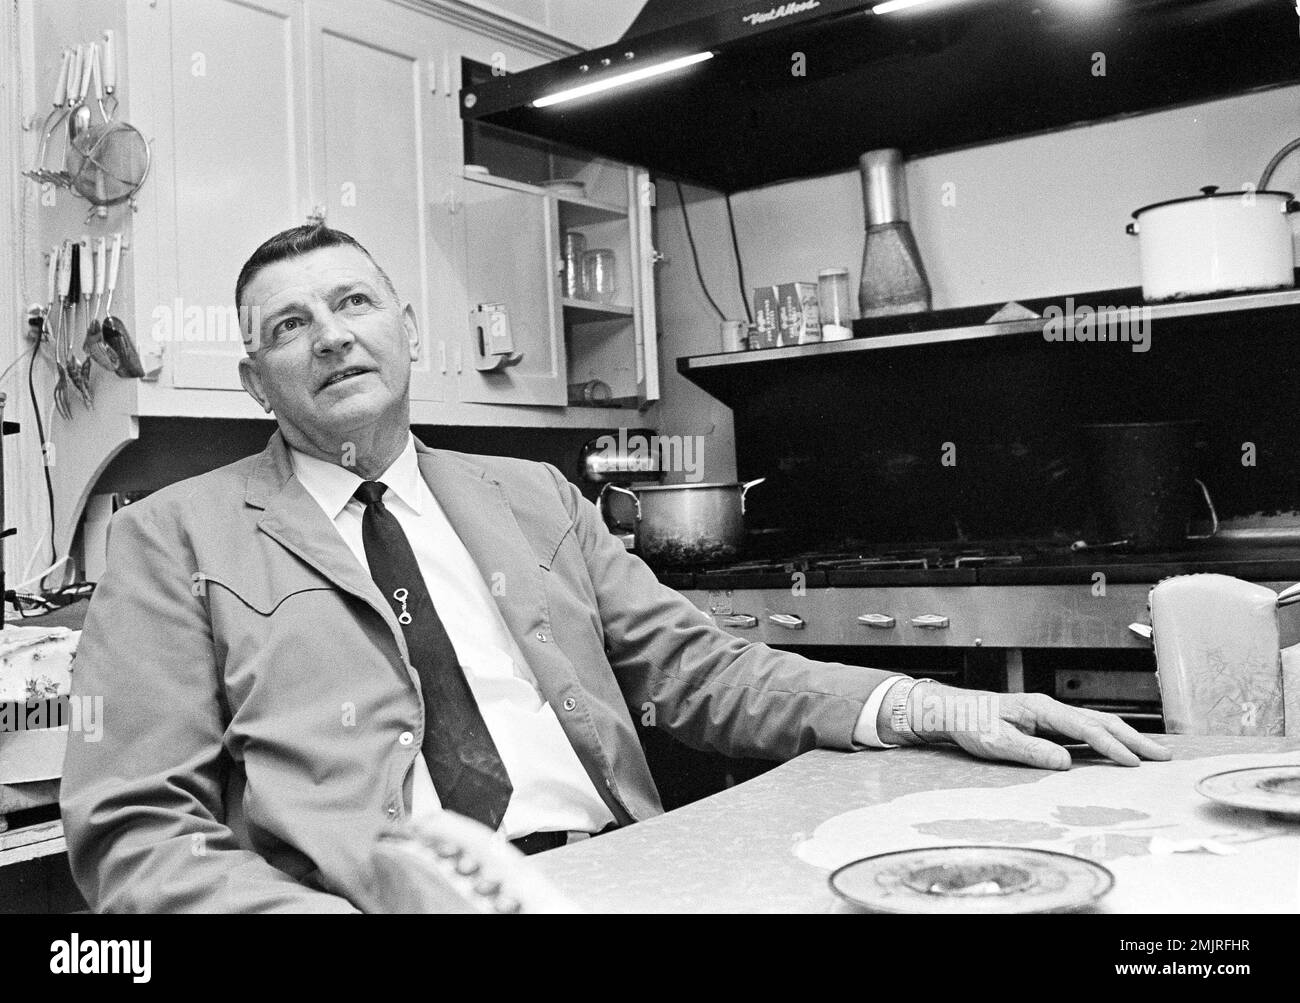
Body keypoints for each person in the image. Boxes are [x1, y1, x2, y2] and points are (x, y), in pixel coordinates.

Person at [60, 225, 1170, 913]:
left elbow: (701, 669)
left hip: (626, 879)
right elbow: (133, 831)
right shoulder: (172, 535)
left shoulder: (534, 496)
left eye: (353, 303)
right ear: (257, 379)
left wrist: (916, 702)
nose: (331, 335)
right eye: (289, 325)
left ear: (406, 328)